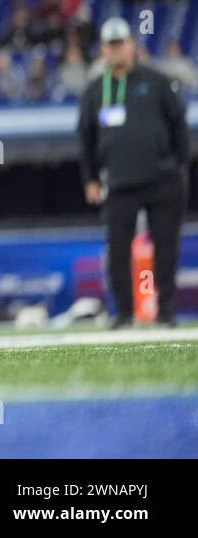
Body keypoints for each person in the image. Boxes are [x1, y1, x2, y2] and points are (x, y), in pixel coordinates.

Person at [77, 18, 189, 328]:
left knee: (166, 247)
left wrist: (180, 166)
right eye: (110, 46)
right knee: (117, 249)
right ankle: (124, 313)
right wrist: (89, 178)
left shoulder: (156, 81)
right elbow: (85, 139)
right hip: (119, 183)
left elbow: (179, 124)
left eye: (121, 44)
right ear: (103, 50)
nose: (116, 51)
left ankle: (165, 312)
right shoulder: (95, 91)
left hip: (163, 180)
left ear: (131, 45)